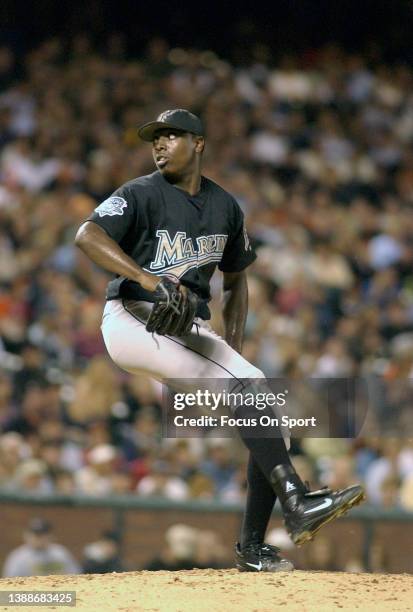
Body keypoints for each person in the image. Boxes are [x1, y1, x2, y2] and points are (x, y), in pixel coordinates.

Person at [75, 108, 365, 572]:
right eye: (156, 138)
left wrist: (232, 347)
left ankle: (252, 548)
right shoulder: (140, 192)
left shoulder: (225, 206)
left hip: (186, 329)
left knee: (268, 416)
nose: (160, 143)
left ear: (199, 143)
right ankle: (295, 501)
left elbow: (236, 281)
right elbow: (87, 235)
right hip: (133, 318)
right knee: (252, 388)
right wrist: (147, 279)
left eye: (172, 135)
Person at [2, 517, 80, 577]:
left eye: (43, 534)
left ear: (51, 536)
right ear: (26, 535)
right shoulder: (18, 557)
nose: (39, 538)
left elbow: (76, 576)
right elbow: (10, 586)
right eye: (36, 535)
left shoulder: (61, 553)